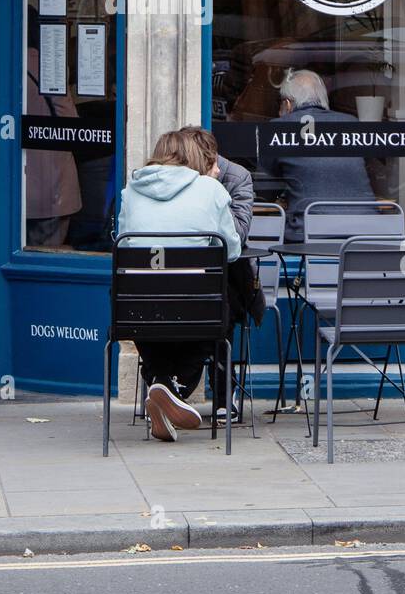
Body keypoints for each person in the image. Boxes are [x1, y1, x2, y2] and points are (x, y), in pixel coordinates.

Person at [117, 127, 242, 442]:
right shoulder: (210, 189)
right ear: (191, 156)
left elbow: (122, 244)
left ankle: (159, 383)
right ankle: (176, 387)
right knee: (215, 307)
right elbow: (233, 250)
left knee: (148, 304)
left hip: (135, 308)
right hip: (195, 306)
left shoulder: (131, 189)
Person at [265, 68, 375, 240]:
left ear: (287, 104)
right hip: (367, 232)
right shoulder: (351, 123)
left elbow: (266, 182)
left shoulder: (280, 127)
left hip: (309, 233)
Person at [25, 6, 82, 247]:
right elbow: (69, 122)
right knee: (45, 252)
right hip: (51, 186)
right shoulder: (48, 66)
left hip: (16, 187)